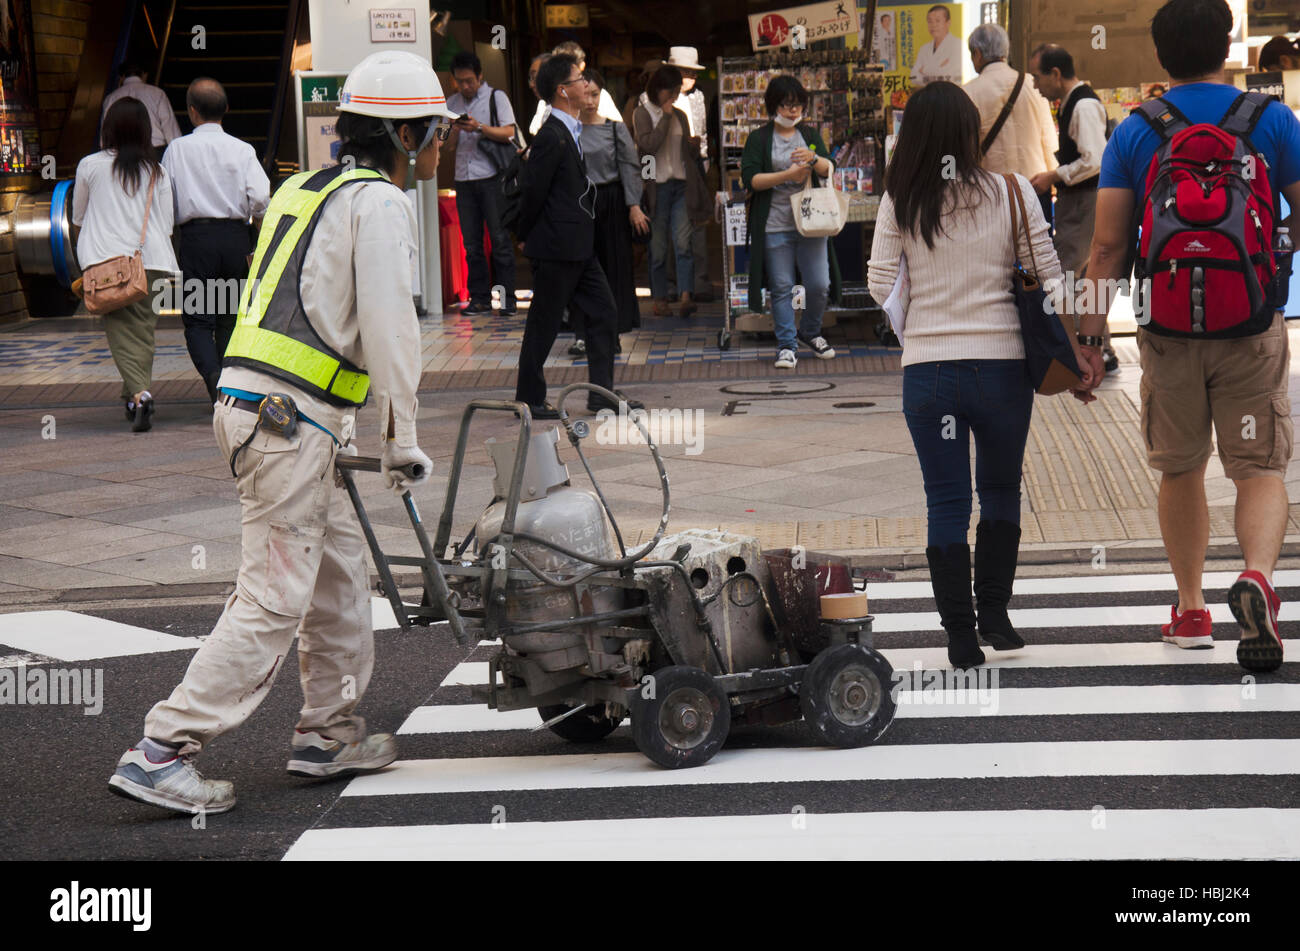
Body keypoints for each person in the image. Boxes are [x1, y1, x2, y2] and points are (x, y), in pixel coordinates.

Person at [107, 50, 455, 814]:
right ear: (404, 136)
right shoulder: (381, 205)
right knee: (274, 594)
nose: (440, 145)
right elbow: (393, 330)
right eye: (433, 131)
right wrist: (401, 439)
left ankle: (327, 732)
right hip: (289, 422)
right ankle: (163, 748)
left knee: (337, 571)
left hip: (271, 411)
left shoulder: (302, 188)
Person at [1080, 0, 1300, 672]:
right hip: (1251, 322)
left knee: (1181, 467)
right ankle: (1258, 576)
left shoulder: (1138, 131)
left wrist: (1089, 339)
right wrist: (1275, 256)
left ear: (1159, 55)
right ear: (1228, 44)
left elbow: (1108, 246)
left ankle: (1191, 607)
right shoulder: (1272, 120)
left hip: (1168, 328)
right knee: (1258, 467)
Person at [868, 82, 1093, 669]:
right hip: (1001, 372)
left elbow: (877, 281)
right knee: (999, 489)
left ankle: (961, 637)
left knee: (945, 501)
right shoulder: (1013, 191)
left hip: (929, 375)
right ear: (970, 134)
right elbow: (1048, 275)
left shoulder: (900, 199)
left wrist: (919, 320)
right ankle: (995, 614)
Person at [514, 53, 643, 420]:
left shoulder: (569, 129)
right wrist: (524, 236)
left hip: (579, 248)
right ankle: (529, 399)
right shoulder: (551, 136)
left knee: (604, 313)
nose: (587, 86)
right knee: (545, 322)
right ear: (562, 90)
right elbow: (533, 192)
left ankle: (600, 394)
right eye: (580, 79)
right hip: (556, 249)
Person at [162, 78, 271, 404]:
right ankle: (227, 382)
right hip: (236, 239)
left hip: (196, 239)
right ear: (226, 110)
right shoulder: (243, 149)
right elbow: (262, 199)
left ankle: (213, 376)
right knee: (229, 317)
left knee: (198, 319)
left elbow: (166, 201)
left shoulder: (176, 150)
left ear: (191, 112)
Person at [73, 98, 179, 432]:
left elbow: (77, 216)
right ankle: (133, 401)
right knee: (142, 333)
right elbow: (169, 224)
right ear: (147, 131)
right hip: (155, 261)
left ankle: (141, 394)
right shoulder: (157, 171)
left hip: (109, 266)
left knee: (122, 333)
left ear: (108, 128)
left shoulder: (89, 166)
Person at [1027, 45, 1118, 372]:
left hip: (1084, 203)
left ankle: (1083, 350)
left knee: (1067, 275)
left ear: (1055, 74)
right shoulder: (1073, 104)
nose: (1035, 85)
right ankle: (1098, 348)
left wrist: (1055, 174)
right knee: (1080, 276)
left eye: (1037, 77)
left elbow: (1095, 159)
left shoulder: (1082, 105)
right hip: (1078, 202)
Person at [740, 74, 841, 369]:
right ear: (773, 107)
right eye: (785, 105)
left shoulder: (809, 135)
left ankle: (809, 331)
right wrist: (788, 175)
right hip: (774, 223)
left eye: (797, 105)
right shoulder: (759, 138)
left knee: (819, 283)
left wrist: (811, 159)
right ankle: (786, 344)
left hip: (812, 221)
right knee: (781, 286)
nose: (792, 111)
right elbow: (751, 179)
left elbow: (827, 167)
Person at [574, 68, 650, 353]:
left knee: (614, 268)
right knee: (581, 268)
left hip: (611, 201)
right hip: (581, 203)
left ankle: (612, 332)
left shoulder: (614, 127)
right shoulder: (569, 129)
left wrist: (634, 206)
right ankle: (582, 333)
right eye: (585, 94)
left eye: (595, 94)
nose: (590, 101)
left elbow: (629, 169)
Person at [446, 51, 518, 316]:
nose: (465, 86)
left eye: (469, 80)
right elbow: (445, 145)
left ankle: (507, 298)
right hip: (463, 180)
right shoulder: (451, 103)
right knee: (472, 244)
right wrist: (453, 129)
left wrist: (479, 127)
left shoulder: (495, 97)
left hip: (492, 177)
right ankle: (479, 299)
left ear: (479, 76)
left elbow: (510, 132)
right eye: (459, 81)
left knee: (500, 239)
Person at [633, 65, 708, 318]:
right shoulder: (642, 114)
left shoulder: (680, 115)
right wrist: (665, 117)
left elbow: (688, 154)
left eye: (677, 91)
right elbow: (648, 147)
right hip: (657, 186)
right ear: (659, 89)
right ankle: (661, 297)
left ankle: (686, 295)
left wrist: (693, 146)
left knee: (683, 241)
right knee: (658, 245)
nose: (675, 96)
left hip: (682, 184)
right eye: (672, 91)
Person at [964, 24, 1057, 222]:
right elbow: (1049, 139)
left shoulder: (967, 93)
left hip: (992, 193)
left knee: (998, 251)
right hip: (1035, 188)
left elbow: (965, 149)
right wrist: (1053, 179)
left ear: (978, 54)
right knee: (1037, 249)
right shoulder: (1033, 84)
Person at [667, 47, 714, 302]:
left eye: (693, 74)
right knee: (670, 230)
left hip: (695, 167)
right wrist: (647, 178)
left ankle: (700, 283)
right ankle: (672, 285)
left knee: (697, 224)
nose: (689, 78)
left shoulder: (698, 97)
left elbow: (703, 132)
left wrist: (704, 160)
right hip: (666, 173)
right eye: (684, 72)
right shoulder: (652, 99)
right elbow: (644, 144)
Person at [530, 41, 622, 135]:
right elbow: (535, 131)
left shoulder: (602, 97)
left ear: (581, 66)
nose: (590, 102)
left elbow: (619, 129)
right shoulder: (545, 105)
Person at [100, 61, 181, 151]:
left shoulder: (111, 98)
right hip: (154, 150)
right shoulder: (157, 93)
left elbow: (106, 132)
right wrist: (177, 151)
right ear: (144, 74)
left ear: (121, 77)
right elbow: (170, 127)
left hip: (121, 153)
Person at [910, 5, 963, 86]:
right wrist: (938, 69)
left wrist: (924, 69)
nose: (933, 25)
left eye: (937, 21)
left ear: (948, 23)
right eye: (930, 21)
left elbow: (951, 76)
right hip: (928, 96)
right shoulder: (924, 48)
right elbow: (913, 77)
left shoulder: (958, 45)